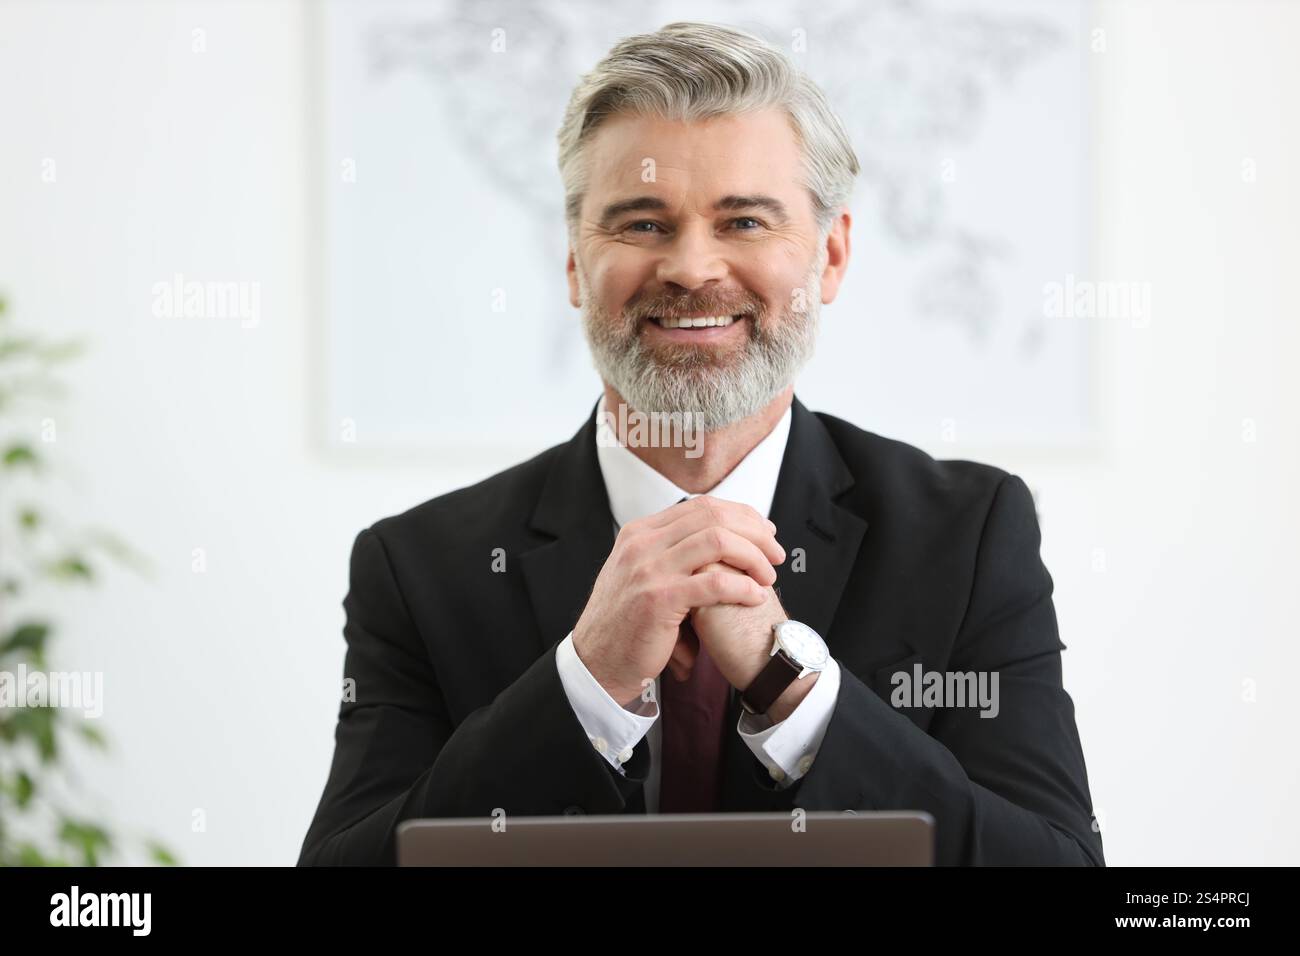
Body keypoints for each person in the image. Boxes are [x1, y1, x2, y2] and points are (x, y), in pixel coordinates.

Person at [298, 21, 1103, 866]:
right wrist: (583, 684)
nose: (690, 268)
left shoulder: (969, 534)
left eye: (745, 221)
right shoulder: (418, 565)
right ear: (574, 264)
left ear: (830, 256)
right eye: (642, 224)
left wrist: (793, 689)